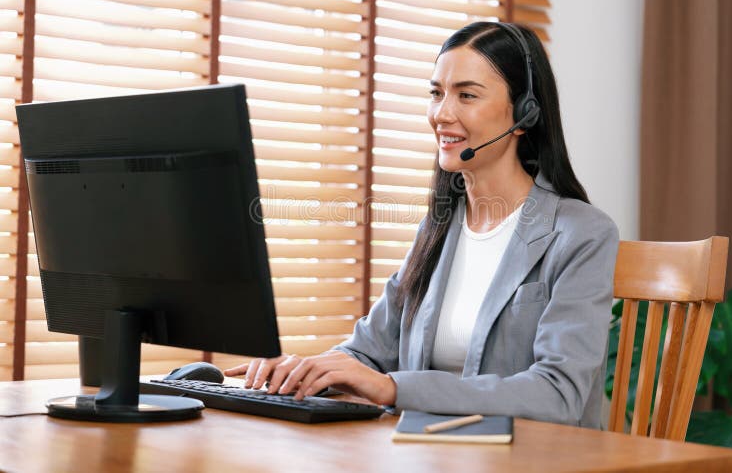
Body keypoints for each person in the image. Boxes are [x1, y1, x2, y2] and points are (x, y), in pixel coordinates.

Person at [224, 21, 619, 429]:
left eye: (466, 95)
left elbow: (558, 393)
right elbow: (368, 351)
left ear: (524, 114)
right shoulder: (441, 225)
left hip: (533, 459)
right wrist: (306, 372)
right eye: (436, 93)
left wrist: (394, 388)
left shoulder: (581, 233)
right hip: (430, 451)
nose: (442, 114)